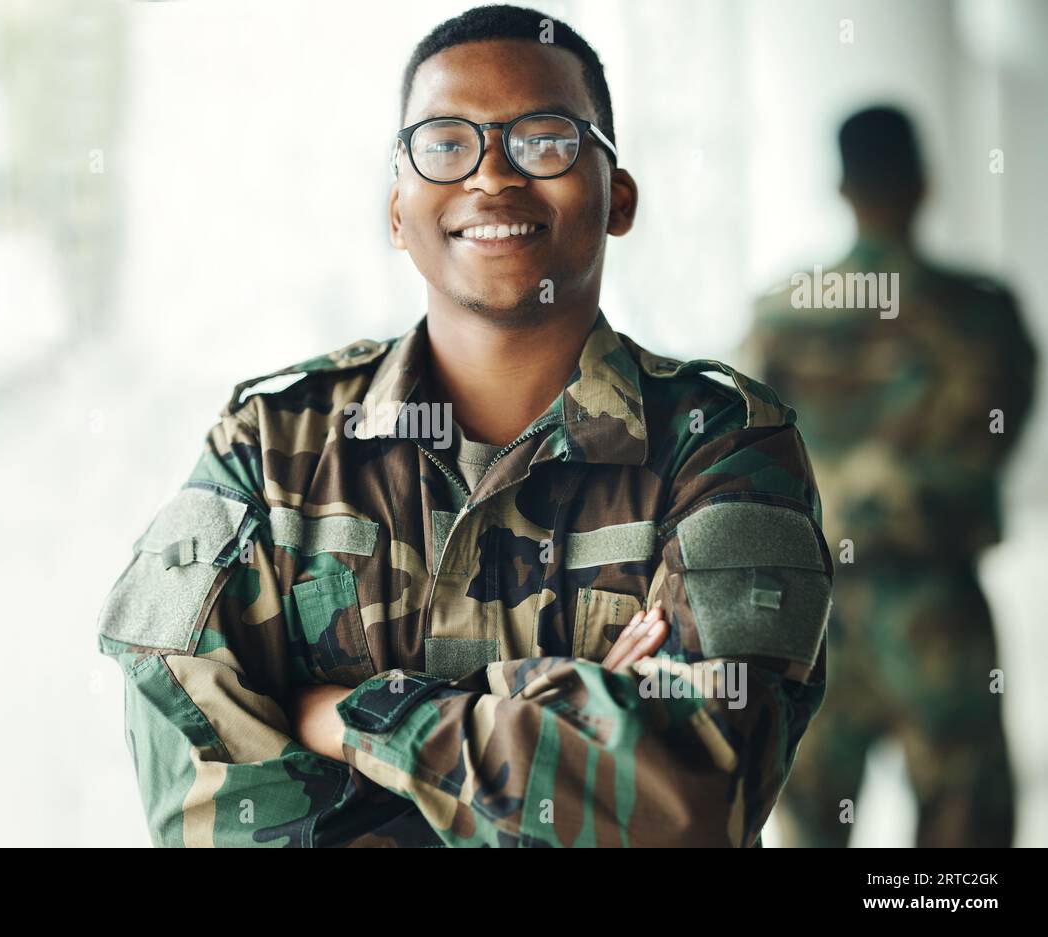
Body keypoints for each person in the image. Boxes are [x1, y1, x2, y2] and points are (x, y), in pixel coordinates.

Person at [97, 3, 832, 847]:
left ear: (617, 196)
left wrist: (353, 717)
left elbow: (683, 800)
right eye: (445, 143)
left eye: (545, 139)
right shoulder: (270, 443)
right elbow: (203, 799)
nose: (493, 176)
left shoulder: (724, 445)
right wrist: (560, 732)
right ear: (397, 211)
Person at [749, 106, 1033, 847]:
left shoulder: (782, 315)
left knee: (809, 826)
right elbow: (990, 448)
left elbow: (744, 465)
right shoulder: (982, 315)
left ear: (842, 187)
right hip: (936, 607)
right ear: (924, 184)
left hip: (812, 618)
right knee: (964, 855)